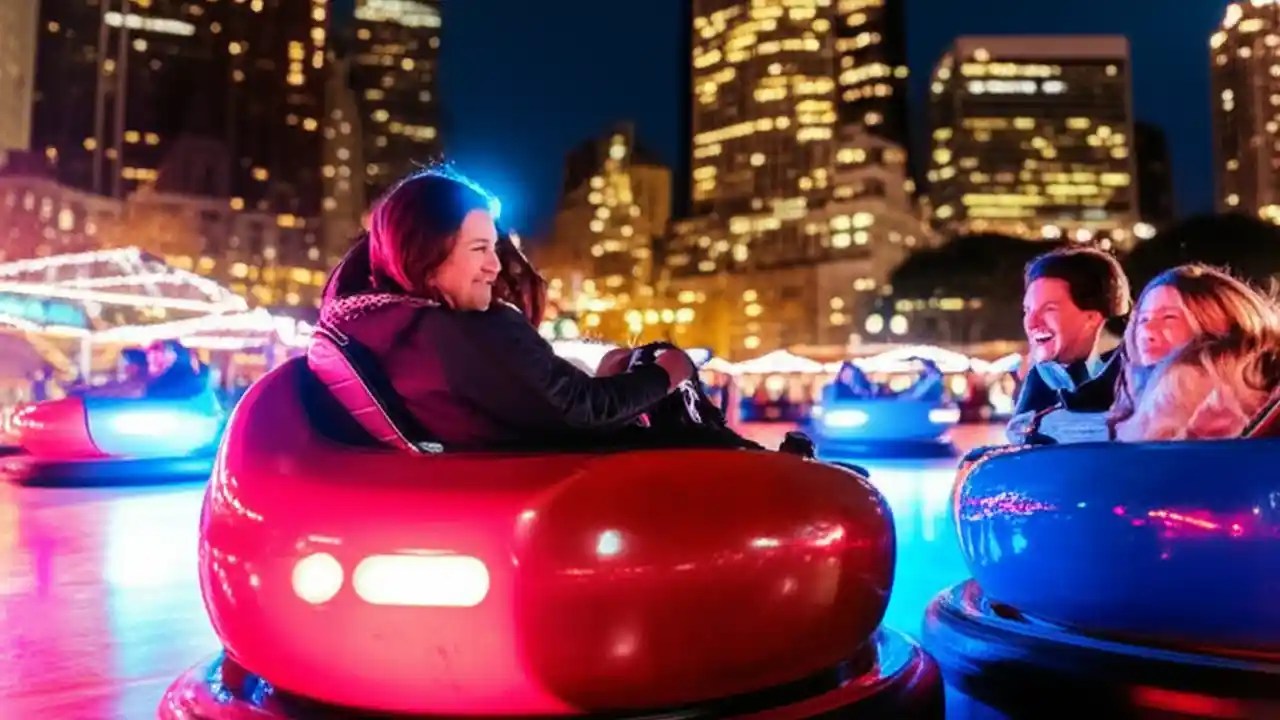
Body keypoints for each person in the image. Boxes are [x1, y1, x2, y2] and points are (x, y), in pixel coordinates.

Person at [313, 169, 702, 451]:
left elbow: (523, 397)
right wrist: (665, 373)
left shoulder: (381, 326)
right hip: (540, 497)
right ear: (425, 256)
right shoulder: (456, 336)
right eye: (479, 248)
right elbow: (580, 410)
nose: (494, 266)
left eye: (494, 249)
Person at [1108, 265, 1280, 441]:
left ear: (1216, 324)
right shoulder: (1131, 387)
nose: (1148, 330)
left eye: (1169, 317)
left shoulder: (1203, 389)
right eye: (1143, 319)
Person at [1007, 247, 1132, 442]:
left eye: (1049, 309)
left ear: (1092, 317)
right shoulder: (1043, 377)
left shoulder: (1138, 377)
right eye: (1027, 311)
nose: (1032, 324)